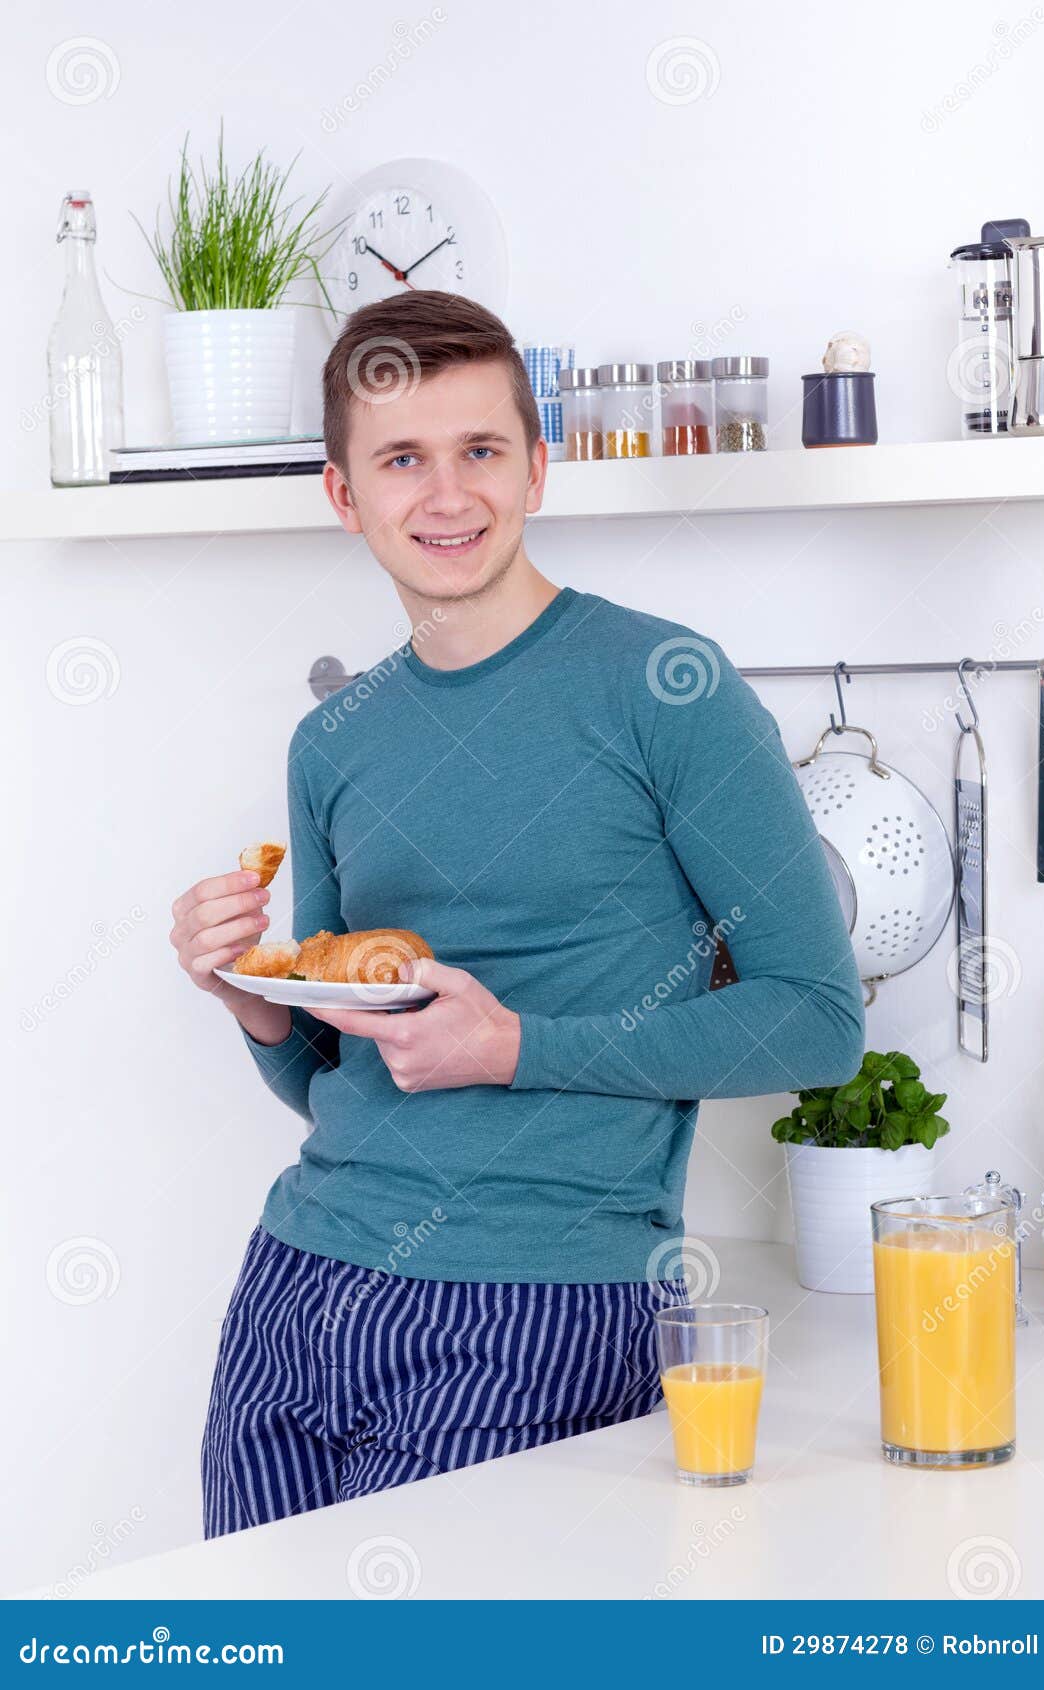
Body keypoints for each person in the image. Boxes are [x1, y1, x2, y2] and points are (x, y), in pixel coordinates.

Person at [170, 291, 865, 1538]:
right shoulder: (332, 739)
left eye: (480, 451)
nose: (446, 495)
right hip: (293, 1287)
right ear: (343, 495)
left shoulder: (669, 689)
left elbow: (816, 1021)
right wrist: (252, 1005)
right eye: (401, 459)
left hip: (535, 1309)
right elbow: (345, 1067)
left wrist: (516, 1046)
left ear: (537, 469)